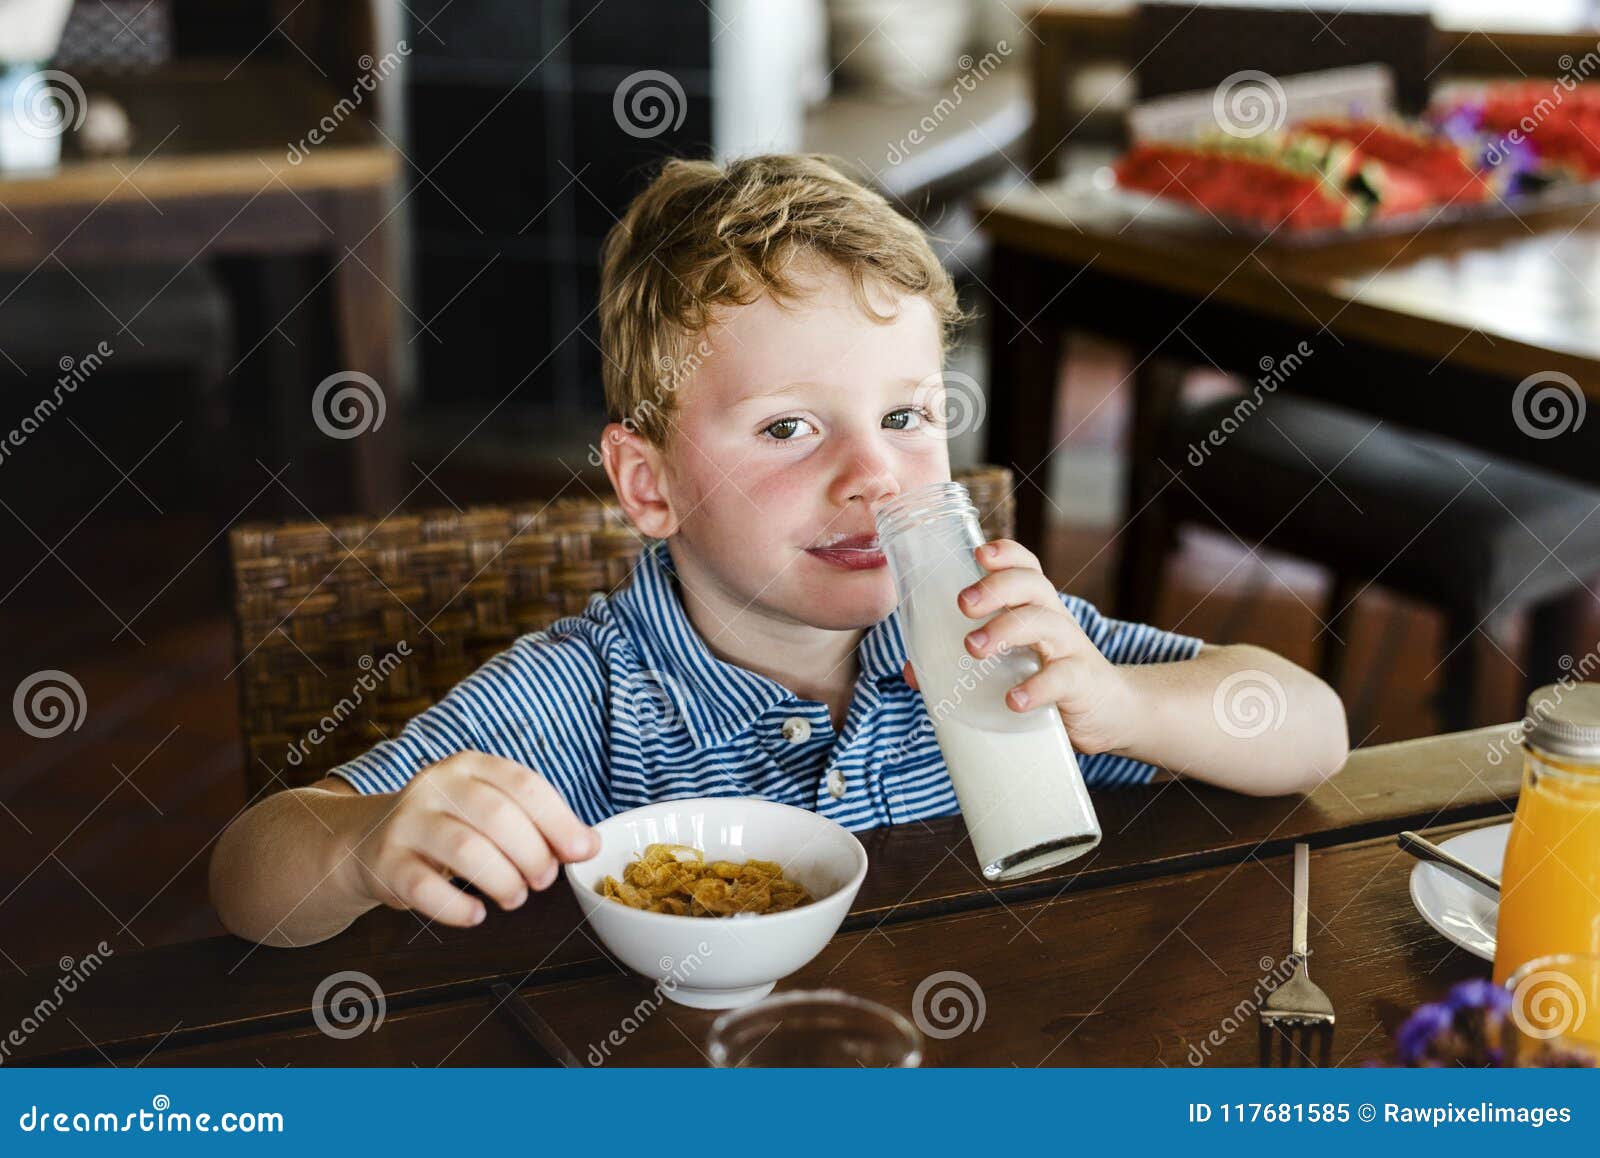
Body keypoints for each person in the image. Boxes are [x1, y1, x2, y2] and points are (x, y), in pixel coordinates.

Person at [210, 155, 1348, 947]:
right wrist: (365, 847)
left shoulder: (989, 638)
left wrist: (1124, 708)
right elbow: (250, 877)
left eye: (906, 417)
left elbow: (1310, 731)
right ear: (648, 485)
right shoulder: (587, 699)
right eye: (789, 428)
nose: (874, 474)